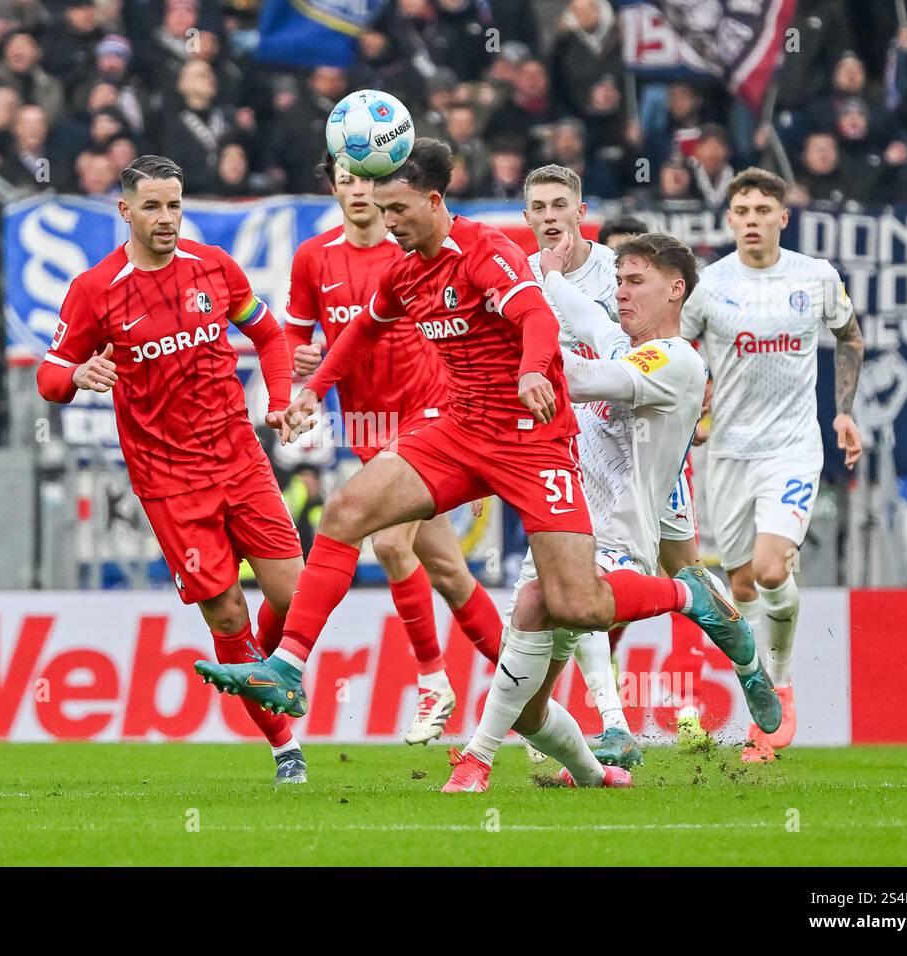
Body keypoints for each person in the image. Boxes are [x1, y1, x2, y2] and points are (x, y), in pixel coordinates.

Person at [192, 141, 753, 762]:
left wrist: (534, 371)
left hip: (532, 441)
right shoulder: (405, 269)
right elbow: (362, 331)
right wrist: (311, 393)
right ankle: (290, 668)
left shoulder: (486, 250)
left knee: (577, 603)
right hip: (458, 431)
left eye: (398, 209)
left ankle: (687, 595)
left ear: (434, 202)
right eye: (381, 209)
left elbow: (536, 317)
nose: (389, 222)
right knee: (347, 512)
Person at [449, 233, 780, 791]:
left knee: (536, 602)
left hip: (619, 542)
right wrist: (549, 278)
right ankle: (597, 774)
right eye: (619, 281)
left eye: (635, 282)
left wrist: (515, 337)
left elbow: (578, 379)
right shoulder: (625, 345)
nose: (620, 294)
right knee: (530, 712)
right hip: (562, 528)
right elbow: (586, 316)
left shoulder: (676, 360)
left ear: (676, 290)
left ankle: (476, 761)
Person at [35, 156, 310, 786]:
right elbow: (50, 376)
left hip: (239, 456)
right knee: (227, 617)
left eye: (175, 205)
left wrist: (274, 399)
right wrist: (77, 375)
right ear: (125, 210)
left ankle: (267, 671)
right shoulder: (95, 291)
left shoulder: (213, 267)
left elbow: (270, 337)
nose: (166, 219)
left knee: (296, 599)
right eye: (153, 207)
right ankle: (284, 749)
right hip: (168, 480)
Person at [285, 153, 503, 745]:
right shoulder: (313, 259)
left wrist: (474, 449)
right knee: (449, 572)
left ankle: (433, 679)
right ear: (331, 188)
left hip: (431, 416)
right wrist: (297, 378)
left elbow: (462, 338)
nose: (357, 192)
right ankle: (525, 690)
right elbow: (297, 337)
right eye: (345, 181)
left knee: (385, 541)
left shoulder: (411, 249)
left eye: (367, 181)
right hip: (367, 426)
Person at [520, 166, 705, 768]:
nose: (550, 217)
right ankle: (610, 723)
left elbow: (654, 345)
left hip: (642, 447)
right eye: (538, 207)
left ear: (580, 211)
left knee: (687, 570)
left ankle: (719, 682)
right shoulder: (524, 279)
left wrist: (693, 412)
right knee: (572, 585)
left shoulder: (615, 271)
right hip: (568, 447)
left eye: (559, 205)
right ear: (527, 218)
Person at [681, 167, 864, 763]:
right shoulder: (708, 286)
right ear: (729, 219)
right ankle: (761, 700)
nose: (754, 220)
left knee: (767, 567)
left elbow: (851, 337)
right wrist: (692, 416)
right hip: (730, 453)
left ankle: (780, 685)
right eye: (743, 211)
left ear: (783, 217)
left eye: (764, 210)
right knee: (739, 587)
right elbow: (676, 355)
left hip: (792, 448)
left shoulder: (815, 277)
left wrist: (843, 413)